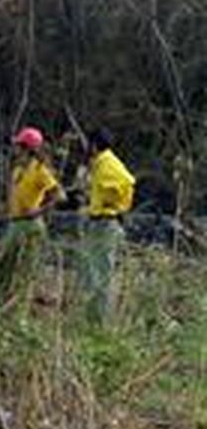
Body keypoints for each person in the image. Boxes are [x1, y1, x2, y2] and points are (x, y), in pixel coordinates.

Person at [0, 126, 65, 309]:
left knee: (26, 270)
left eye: (18, 145)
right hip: (15, 224)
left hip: (30, 225)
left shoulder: (40, 170)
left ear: (26, 148)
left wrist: (39, 211)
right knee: (4, 265)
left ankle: (19, 311)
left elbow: (59, 195)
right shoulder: (17, 170)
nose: (14, 149)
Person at [79, 128, 135, 324]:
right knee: (94, 272)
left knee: (101, 275)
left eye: (88, 143)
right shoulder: (100, 163)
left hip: (105, 222)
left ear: (94, 145)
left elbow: (127, 182)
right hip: (100, 222)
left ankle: (101, 323)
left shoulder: (107, 162)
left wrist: (112, 203)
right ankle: (93, 320)